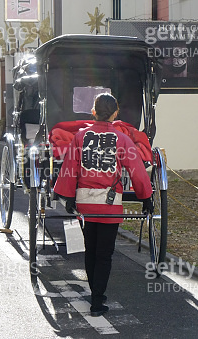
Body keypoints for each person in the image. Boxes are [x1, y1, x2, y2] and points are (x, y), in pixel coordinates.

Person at [54, 93, 154, 317]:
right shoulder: (122, 139)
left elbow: (70, 167)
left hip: (85, 203)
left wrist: (68, 197)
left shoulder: (80, 137)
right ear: (116, 114)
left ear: (93, 112)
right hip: (109, 205)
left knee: (91, 249)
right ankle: (97, 300)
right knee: (105, 254)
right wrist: (145, 197)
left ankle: (95, 293)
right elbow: (136, 171)